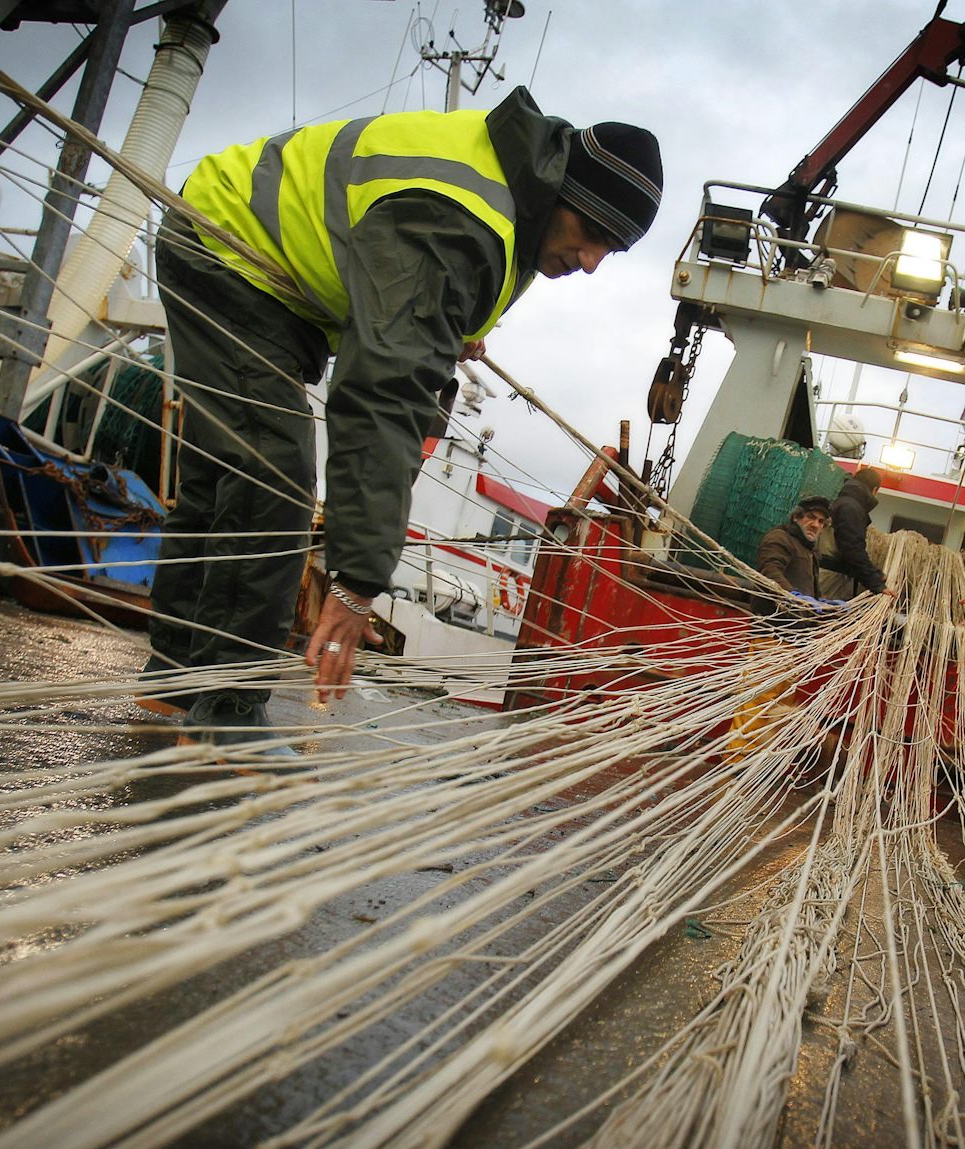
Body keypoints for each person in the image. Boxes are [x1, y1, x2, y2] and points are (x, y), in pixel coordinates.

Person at [144, 88, 662, 752]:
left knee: (227, 472)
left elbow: (414, 332)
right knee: (270, 473)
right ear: (562, 190)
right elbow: (383, 391)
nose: (591, 261)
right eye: (592, 231)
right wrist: (358, 583)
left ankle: (174, 677)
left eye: (611, 250)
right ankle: (226, 714)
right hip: (227, 247)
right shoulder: (458, 218)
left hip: (250, 259)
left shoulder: (516, 219)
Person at [823, 466, 892, 597]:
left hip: (821, 574)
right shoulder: (851, 509)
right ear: (875, 490)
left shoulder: (841, 502)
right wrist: (876, 581)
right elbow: (852, 548)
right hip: (828, 581)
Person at [756, 496, 830, 594]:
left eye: (821, 521)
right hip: (775, 603)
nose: (815, 525)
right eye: (811, 517)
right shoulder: (779, 538)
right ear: (796, 517)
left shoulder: (811, 551)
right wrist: (791, 594)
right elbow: (769, 571)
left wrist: (820, 600)